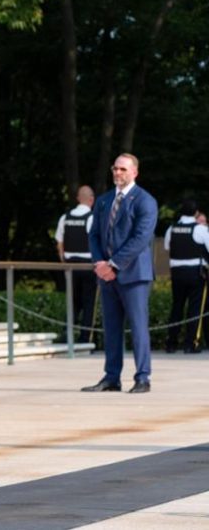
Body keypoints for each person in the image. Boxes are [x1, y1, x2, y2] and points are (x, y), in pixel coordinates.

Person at [83, 153, 157, 395]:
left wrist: (113, 265)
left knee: (138, 328)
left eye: (123, 169)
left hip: (134, 275)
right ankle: (112, 377)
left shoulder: (144, 201)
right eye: (115, 168)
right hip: (106, 276)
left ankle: (143, 377)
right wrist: (99, 264)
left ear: (135, 172)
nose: (118, 173)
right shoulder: (104, 201)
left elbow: (140, 239)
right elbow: (94, 235)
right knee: (111, 328)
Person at [163, 199, 209, 353]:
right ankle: (191, 344)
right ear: (196, 213)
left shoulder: (172, 228)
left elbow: (167, 247)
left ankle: (171, 343)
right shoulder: (200, 229)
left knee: (177, 307)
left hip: (176, 273)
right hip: (196, 273)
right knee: (195, 309)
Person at [55, 185, 98, 344]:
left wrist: (64, 261)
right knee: (89, 303)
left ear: (78, 199)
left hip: (69, 266)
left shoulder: (65, 217)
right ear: (91, 200)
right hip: (88, 265)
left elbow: (60, 243)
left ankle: (68, 334)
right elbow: (96, 242)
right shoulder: (92, 218)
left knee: (72, 301)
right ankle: (85, 338)